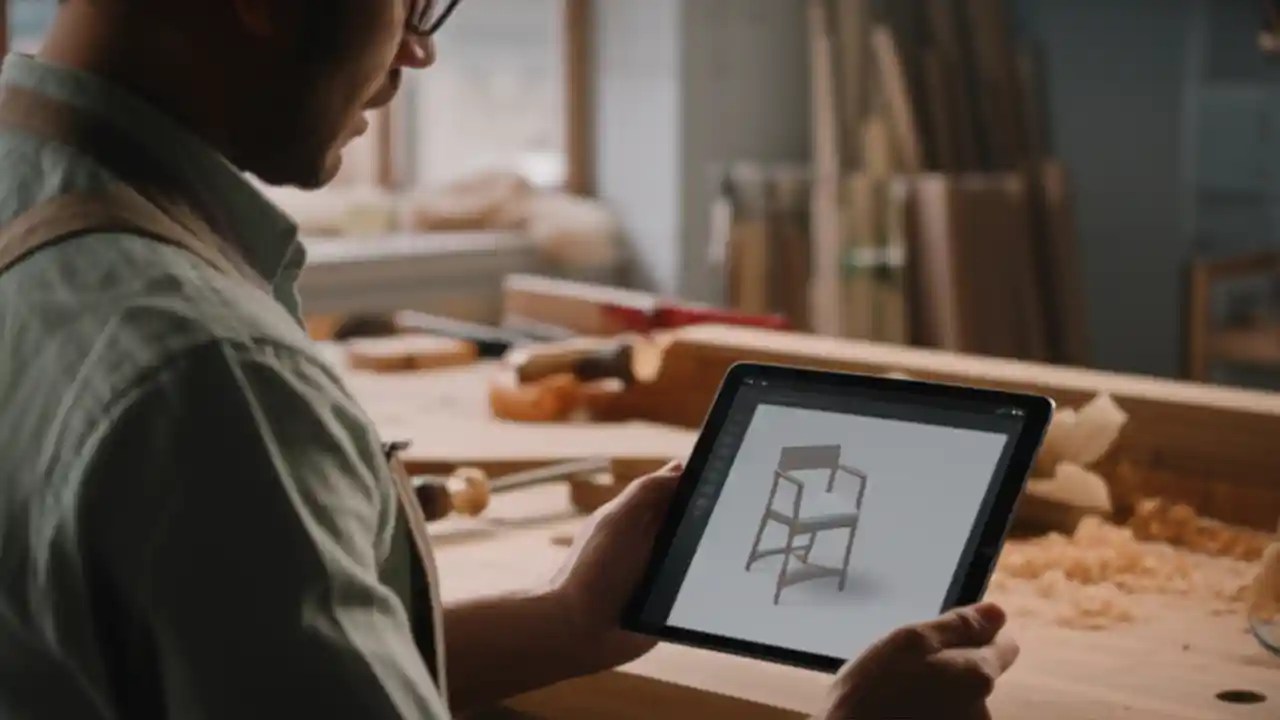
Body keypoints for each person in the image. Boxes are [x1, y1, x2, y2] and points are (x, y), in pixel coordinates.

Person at [0, 1, 1020, 718]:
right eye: (410, 1)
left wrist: (567, 623)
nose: (415, 53)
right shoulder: (214, 379)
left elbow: (233, 666)